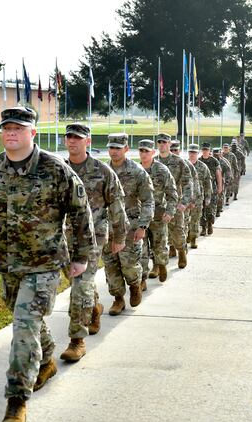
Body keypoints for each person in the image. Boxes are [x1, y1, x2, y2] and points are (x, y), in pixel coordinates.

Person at [0, 107, 95, 422]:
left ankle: (16, 402)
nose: (11, 134)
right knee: (30, 323)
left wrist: (82, 256)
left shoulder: (55, 169)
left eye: (18, 129)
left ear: (32, 133)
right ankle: (46, 360)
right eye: (6, 128)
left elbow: (80, 212)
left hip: (46, 265)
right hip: (8, 265)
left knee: (23, 326)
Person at [61, 124, 131, 362]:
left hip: (94, 235)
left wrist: (119, 237)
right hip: (64, 237)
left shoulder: (102, 171)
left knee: (80, 285)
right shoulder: (58, 170)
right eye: (69, 137)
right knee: (77, 281)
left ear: (87, 141)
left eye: (78, 138)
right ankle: (94, 307)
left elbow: (117, 205)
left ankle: (76, 341)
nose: (72, 141)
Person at [104, 133, 154, 315]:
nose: (113, 151)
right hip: (107, 228)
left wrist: (143, 226)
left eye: (117, 148)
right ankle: (118, 299)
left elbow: (148, 201)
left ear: (126, 149)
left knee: (129, 265)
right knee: (111, 266)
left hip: (130, 228)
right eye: (111, 147)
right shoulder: (102, 171)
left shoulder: (137, 172)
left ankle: (135, 284)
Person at [140, 139, 178, 282]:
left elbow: (172, 194)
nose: (143, 154)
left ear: (153, 152)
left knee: (159, 246)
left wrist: (169, 212)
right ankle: (141, 281)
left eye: (146, 151)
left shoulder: (162, 170)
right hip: (140, 217)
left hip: (158, 214)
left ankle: (161, 265)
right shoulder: (136, 170)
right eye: (141, 151)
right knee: (141, 251)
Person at [155, 133, 193, 269]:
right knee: (157, 236)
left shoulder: (179, 162)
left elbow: (188, 183)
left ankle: (181, 252)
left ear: (170, 144)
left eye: (164, 142)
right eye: (159, 142)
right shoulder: (153, 161)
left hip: (175, 202)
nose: (162, 144)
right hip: (158, 204)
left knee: (177, 232)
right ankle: (157, 264)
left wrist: (184, 202)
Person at [187, 144, 212, 247]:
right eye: (191, 152)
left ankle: (193, 238)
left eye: (194, 152)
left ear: (198, 153)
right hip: (185, 198)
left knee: (195, 219)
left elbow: (207, 182)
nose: (192, 154)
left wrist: (208, 197)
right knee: (184, 220)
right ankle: (187, 235)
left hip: (198, 198)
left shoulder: (202, 166)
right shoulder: (184, 164)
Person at [198, 143, 223, 234]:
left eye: (207, 150)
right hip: (201, 189)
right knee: (202, 209)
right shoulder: (199, 160)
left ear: (209, 151)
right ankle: (203, 227)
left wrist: (220, 187)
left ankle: (210, 224)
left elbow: (218, 174)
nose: (205, 151)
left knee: (211, 208)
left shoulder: (214, 161)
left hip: (212, 188)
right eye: (204, 150)